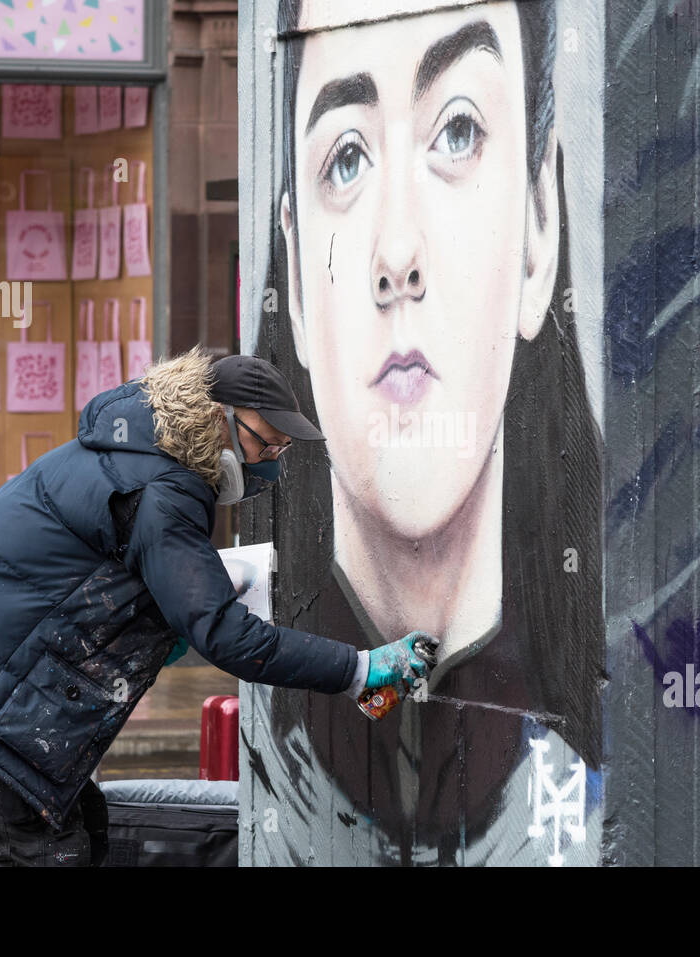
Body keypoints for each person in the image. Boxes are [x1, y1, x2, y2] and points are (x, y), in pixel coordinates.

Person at [255, 0, 604, 862]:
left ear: (539, 232)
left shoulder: (605, 788)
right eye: (346, 156)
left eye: (458, 132)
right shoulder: (270, 779)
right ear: (297, 282)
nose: (395, 252)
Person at [0, 348, 434, 866]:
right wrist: (359, 669)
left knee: (83, 833)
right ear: (219, 419)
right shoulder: (165, 489)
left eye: (282, 449)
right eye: (265, 443)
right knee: (51, 852)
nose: (270, 463)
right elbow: (229, 638)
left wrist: (161, 622)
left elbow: (94, 576)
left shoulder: (140, 457)